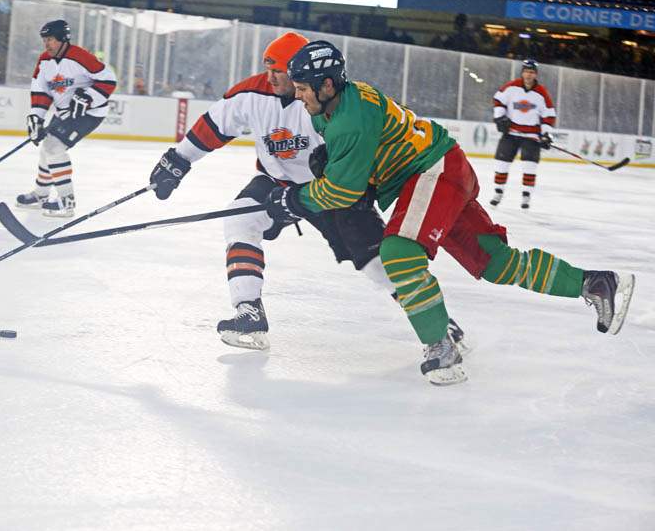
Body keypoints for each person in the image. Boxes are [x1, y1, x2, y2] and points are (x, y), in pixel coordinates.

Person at [266, 40, 634, 385]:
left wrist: (292, 200)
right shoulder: (330, 109)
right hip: (438, 172)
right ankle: (596, 283)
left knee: (398, 250)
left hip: (432, 170)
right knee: (496, 262)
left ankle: (441, 346)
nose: (298, 95)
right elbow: (368, 159)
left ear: (327, 85)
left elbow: (341, 191)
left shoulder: (349, 117)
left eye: (303, 88)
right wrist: (354, 174)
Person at [146, 32, 467, 351]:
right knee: (239, 220)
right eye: (268, 69)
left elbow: (362, 146)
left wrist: (364, 184)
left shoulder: (327, 101)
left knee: (374, 260)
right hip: (277, 183)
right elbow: (214, 125)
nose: (271, 77)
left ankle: (439, 325)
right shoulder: (251, 93)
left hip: (329, 189)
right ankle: (249, 311)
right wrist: (178, 160)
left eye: (279, 70)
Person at [17, 20, 117, 217]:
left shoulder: (80, 56)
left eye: (51, 39)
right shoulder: (44, 61)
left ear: (63, 39)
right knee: (47, 149)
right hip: (63, 112)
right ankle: (41, 194)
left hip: (88, 113)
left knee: (54, 148)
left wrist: (88, 98)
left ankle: (66, 201)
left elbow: (108, 79)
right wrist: (37, 118)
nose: (46, 44)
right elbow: (41, 90)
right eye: (45, 40)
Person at [490, 58, 556, 209]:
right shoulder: (511, 87)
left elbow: (549, 115)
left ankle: (526, 196)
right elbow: (498, 100)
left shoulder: (541, 93)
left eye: (531, 72)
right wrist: (500, 117)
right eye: (526, 71)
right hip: (511, 133)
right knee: (502, 163)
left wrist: (546, 134)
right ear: (522, 73)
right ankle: (498, 192)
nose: (528, 75)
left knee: (529, 166)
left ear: (535, 74)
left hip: (531, 136)